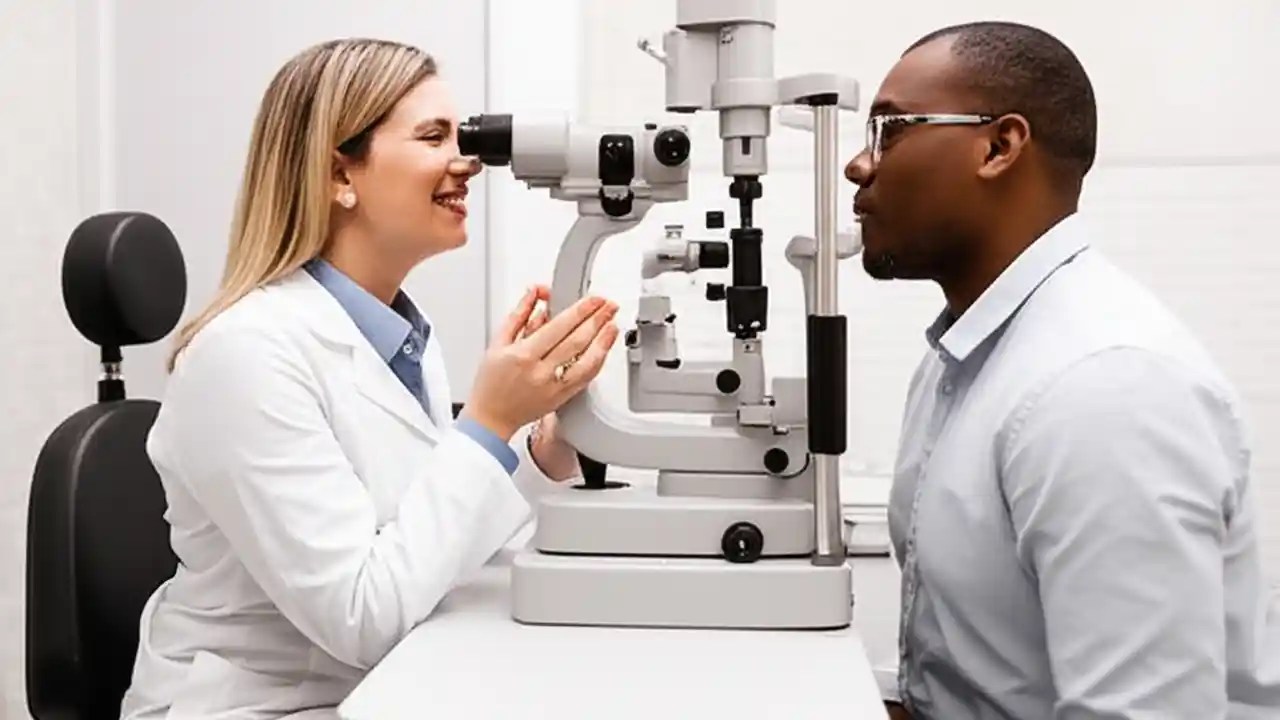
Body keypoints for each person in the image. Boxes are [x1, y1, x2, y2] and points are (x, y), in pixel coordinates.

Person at [119, 38, 618, 719]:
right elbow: (362, 617)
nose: (467, 161)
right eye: (434, 136)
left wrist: (534, 453)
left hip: (381, 688)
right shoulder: (242, 355)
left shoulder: (399, 336)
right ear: (339, 175)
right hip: (264, 705)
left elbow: (426, 546)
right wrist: (490, 423)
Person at [844, 20, 1279, 720]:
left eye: (890, 131)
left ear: (998, 146)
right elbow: (978, 672)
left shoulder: (1102, 387)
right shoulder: (965, 358)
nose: (859, 166)